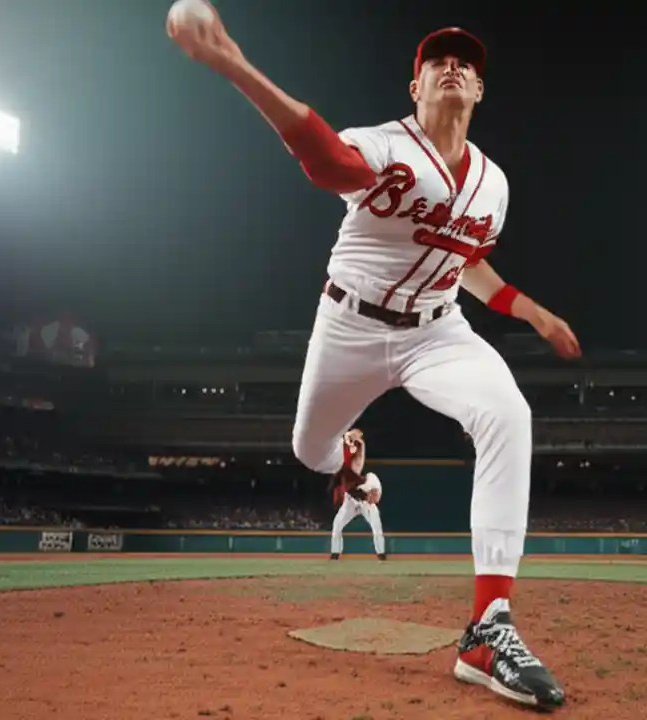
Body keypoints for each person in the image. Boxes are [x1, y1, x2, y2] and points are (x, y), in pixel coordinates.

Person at [168, 7, 578, 709]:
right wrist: (235, 67)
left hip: (436, 332)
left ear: (479, 91)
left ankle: (489, 629)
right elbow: (328, 161)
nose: (454, 67)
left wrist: (530, 310)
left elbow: (468, 260)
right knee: (308, 449)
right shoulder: (387, 146)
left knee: (508, 412)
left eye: (467, 64)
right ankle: (348, 462)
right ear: (414, 86)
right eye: (437, 62)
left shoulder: (494, 184)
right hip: (350, 327)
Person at [328, 429, 386, 560]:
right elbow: (346, 440)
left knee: (377, 528)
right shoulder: (345, 466)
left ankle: (381, 555)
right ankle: (335, 554)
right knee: (337, 525)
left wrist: (376, 495)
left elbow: (376, 495)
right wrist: (349, 436)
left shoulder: (369, 477)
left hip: (365, 502)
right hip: (351, 500)